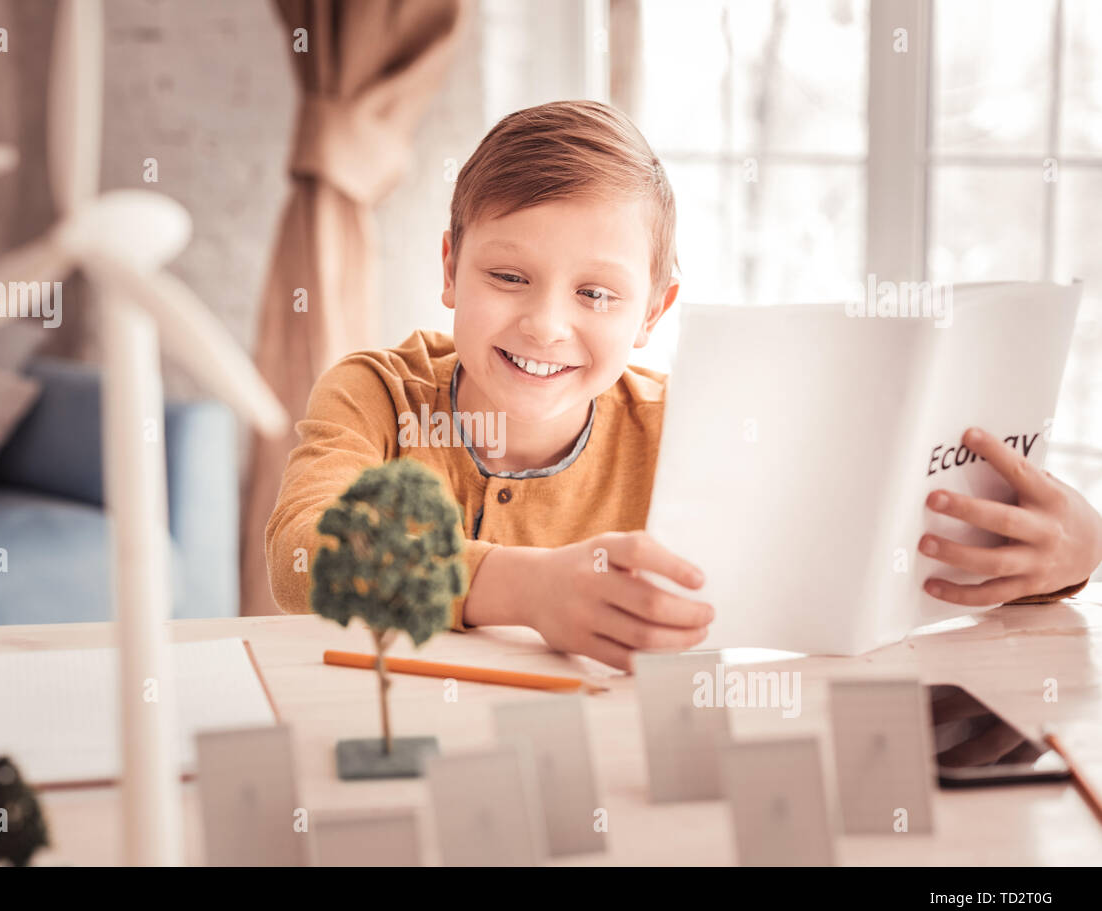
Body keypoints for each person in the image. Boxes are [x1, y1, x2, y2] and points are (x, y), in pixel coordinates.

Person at [265, 100, 1102, 670]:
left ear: (653, 312)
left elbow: (860, 537)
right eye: (509, 276)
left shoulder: (695, 429)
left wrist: (1072, 554)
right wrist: (527, 586)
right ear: (451, 267)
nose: (547, 326)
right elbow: (303, 554)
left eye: (596, 293)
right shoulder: (375, 393)